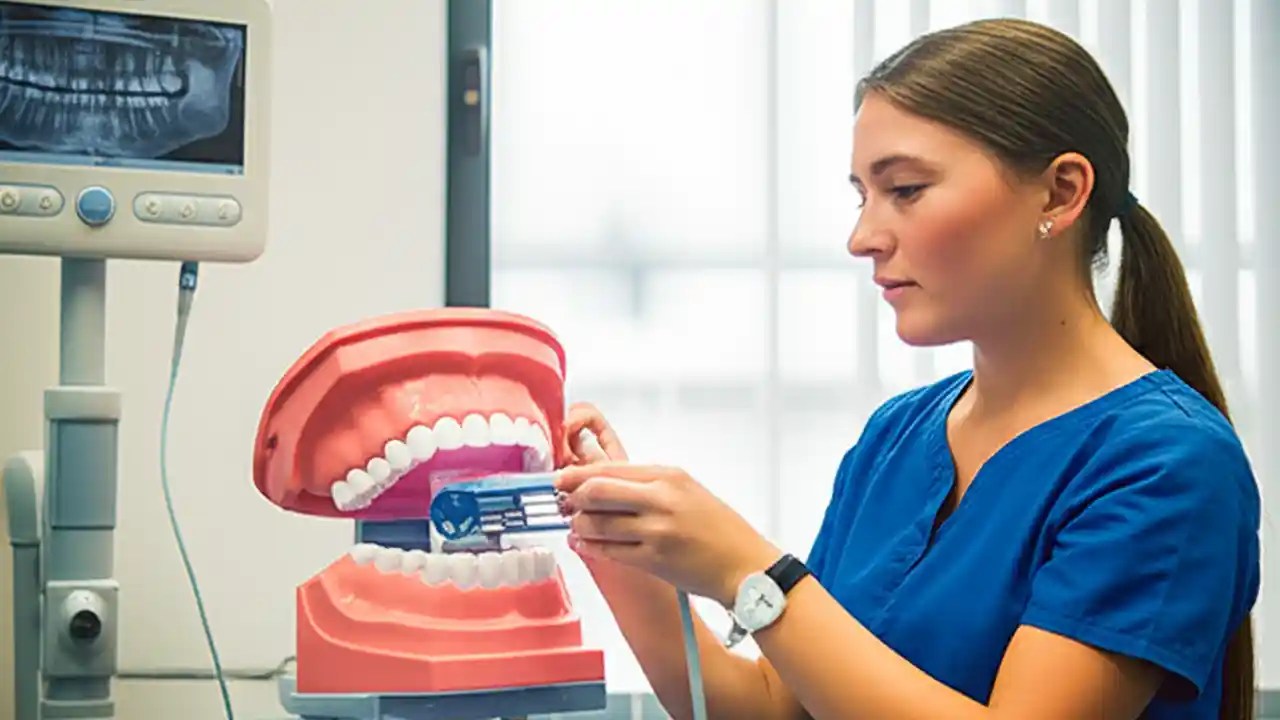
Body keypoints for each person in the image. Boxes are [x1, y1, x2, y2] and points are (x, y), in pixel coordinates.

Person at [550, 16, 1261, 720]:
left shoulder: (1168, 465)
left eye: (907, 190)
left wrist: (748, 572)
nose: (862, 237)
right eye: (862, 195)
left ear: (1060, 192)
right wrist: (623, 545)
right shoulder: (897, 438)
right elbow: (771, 709)